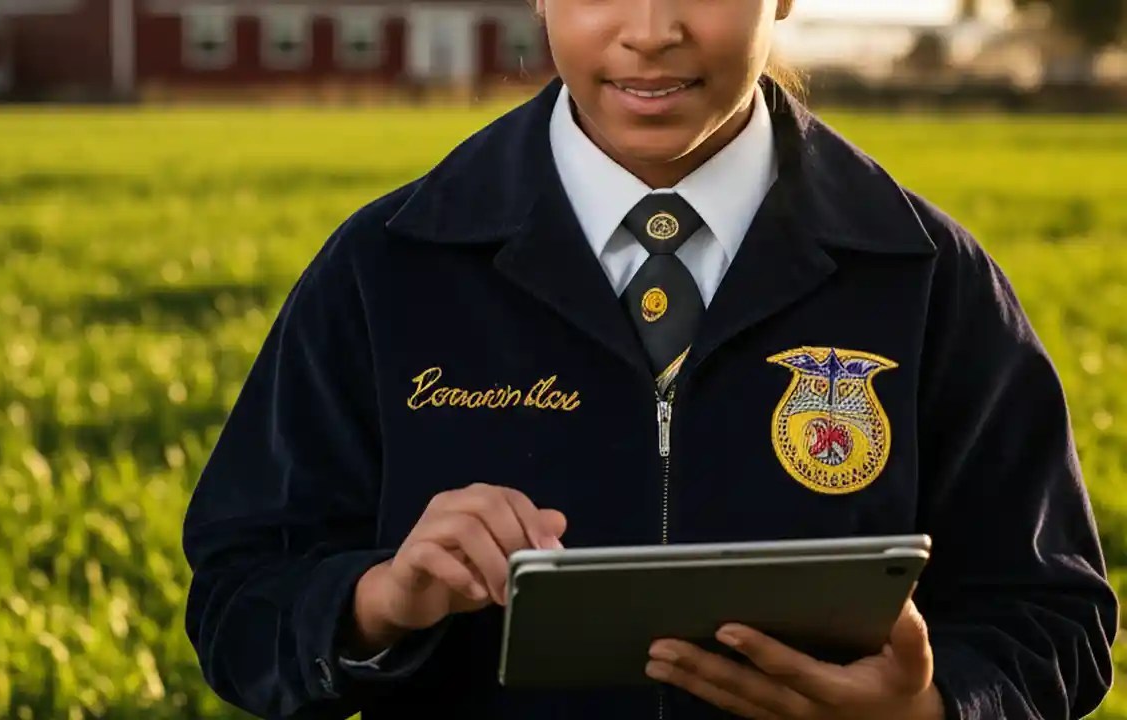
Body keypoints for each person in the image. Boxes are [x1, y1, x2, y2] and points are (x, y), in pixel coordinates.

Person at [181, 0, 1118, 718]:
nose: (652, 31)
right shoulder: (389, 267)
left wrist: (934, 706)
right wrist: (378, 601)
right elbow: (237, 599)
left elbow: (1054, 617)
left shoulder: (924, 279)